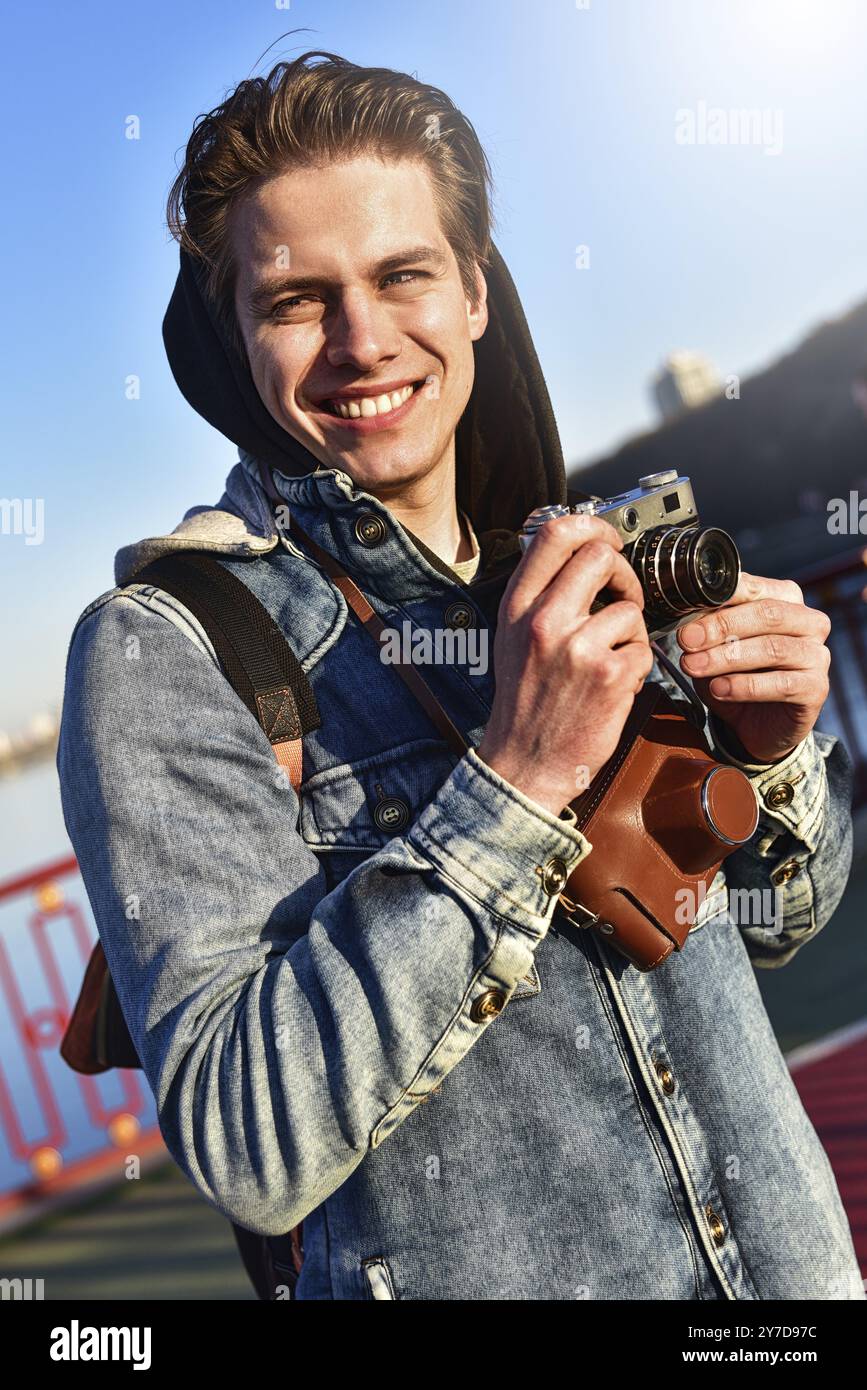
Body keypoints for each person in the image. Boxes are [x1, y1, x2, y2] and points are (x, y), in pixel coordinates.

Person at [57, 49, 863, 1301]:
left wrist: (774, 756)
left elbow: (783, 923)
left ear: (475, 292)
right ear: (237, 339)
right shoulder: (170, 648)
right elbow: (247, 1144)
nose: (363, 340)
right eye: (295, 301)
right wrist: (519, 774)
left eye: (401, 275)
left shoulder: (584, 558)